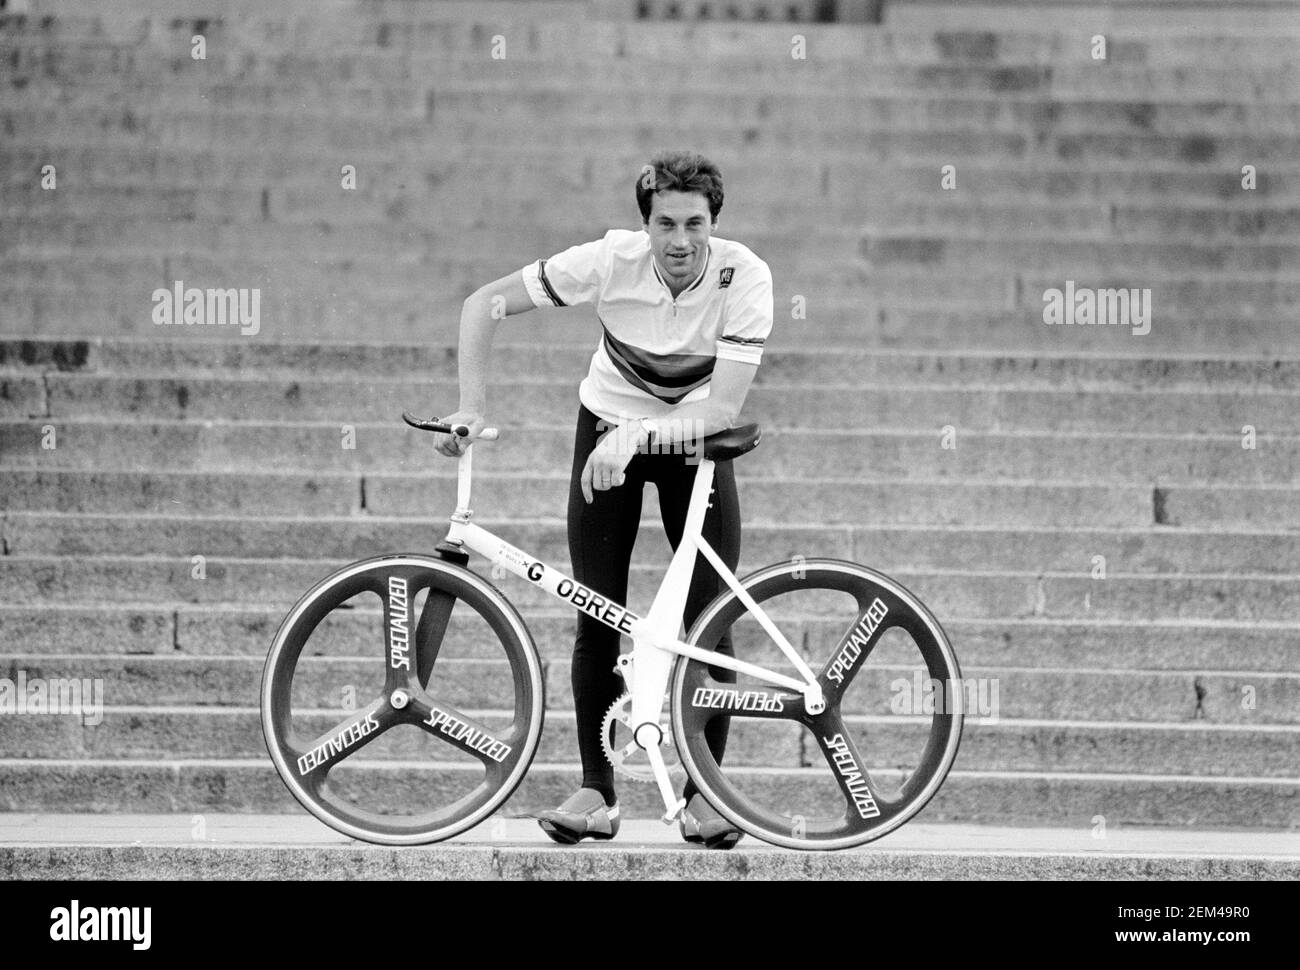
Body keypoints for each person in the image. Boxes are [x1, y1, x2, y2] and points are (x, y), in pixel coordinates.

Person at [432, 150, 774, 848]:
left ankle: (706, 794)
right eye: (665, 224)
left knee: (709, 620)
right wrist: (470, 405)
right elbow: (483, 304)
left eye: (695, 224)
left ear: (715, 223)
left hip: (692, 440)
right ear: (644, 225)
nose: (680, 241)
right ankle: (597, 791)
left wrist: (640, 437)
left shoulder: (746, 276)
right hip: (607, 428)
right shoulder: (609, 261)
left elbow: (722, 406)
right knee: (597, 612)